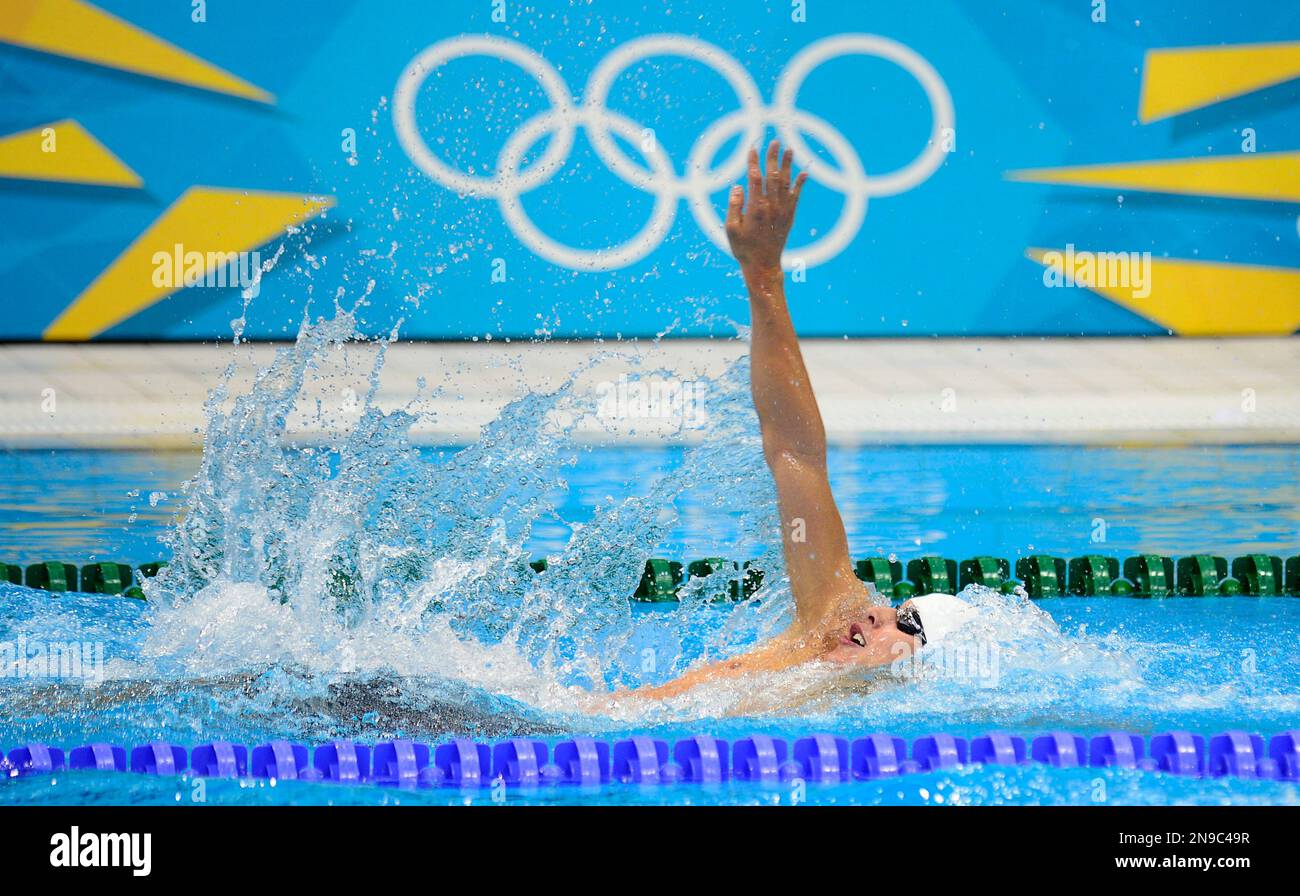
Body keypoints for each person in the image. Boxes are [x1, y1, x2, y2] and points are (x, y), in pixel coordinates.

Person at [628, 140, 976, 701]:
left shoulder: (868, 713)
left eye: (904, 628)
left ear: (919, 668)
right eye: (899, 609)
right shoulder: (827, 620)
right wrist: (763, 277)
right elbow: (794, 450)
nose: (879, 615)